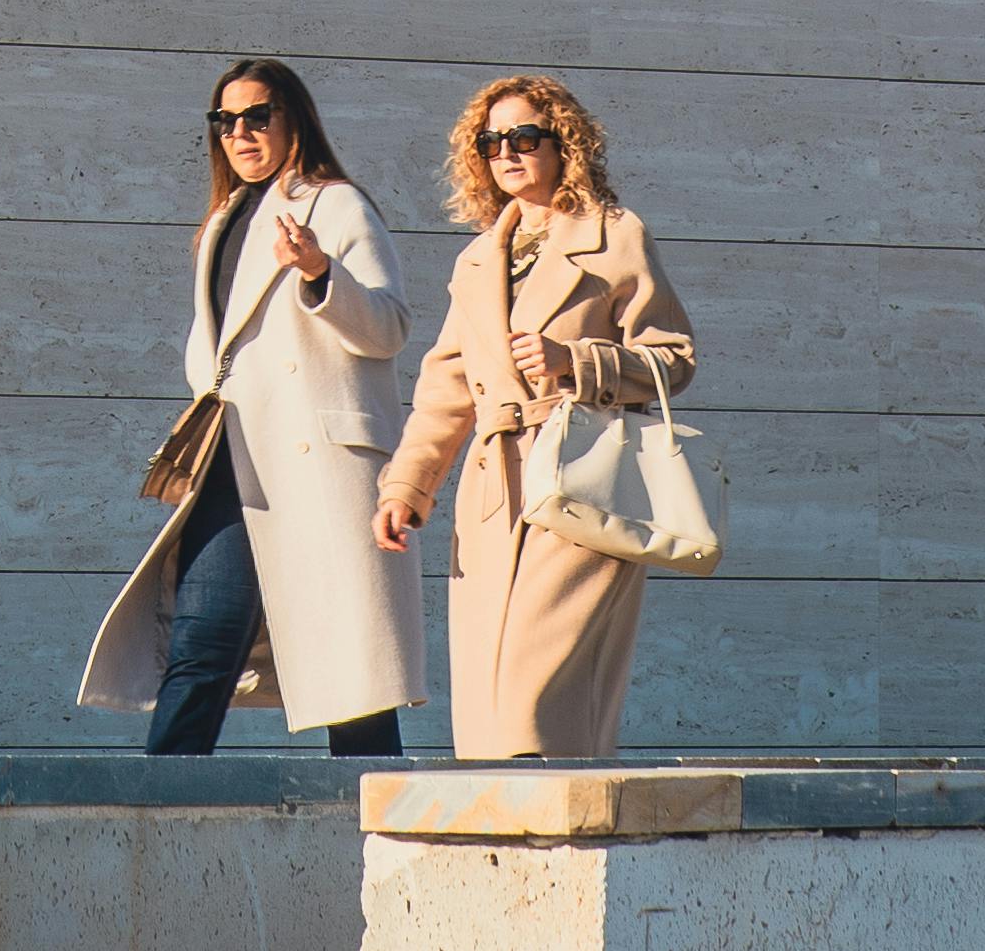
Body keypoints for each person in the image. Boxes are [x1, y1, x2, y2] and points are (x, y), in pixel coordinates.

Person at [376, 71, 696, 762]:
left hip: (583, 480)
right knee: (490, 707)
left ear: (564, 145)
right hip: (494, 496)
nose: (508, 152)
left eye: (525, 136)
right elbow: (447, 385)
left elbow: (674, 357)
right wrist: (407, 487)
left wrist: (576, 361)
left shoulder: (615, 235)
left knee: (537, 696)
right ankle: (515, 855)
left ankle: (571, 843)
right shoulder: (476, 260)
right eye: (492, 143)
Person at [141, 53, 423, 760]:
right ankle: (152, 808)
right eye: (224, 120)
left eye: (256, 116)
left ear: (292, 120)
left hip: (317, 464)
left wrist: (321, 272)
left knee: (351, 673)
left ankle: (378, 821)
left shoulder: (335, 204)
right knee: (201, 643)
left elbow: (388, 326)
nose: (239, 132)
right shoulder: (219, 224)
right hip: (236, 462)